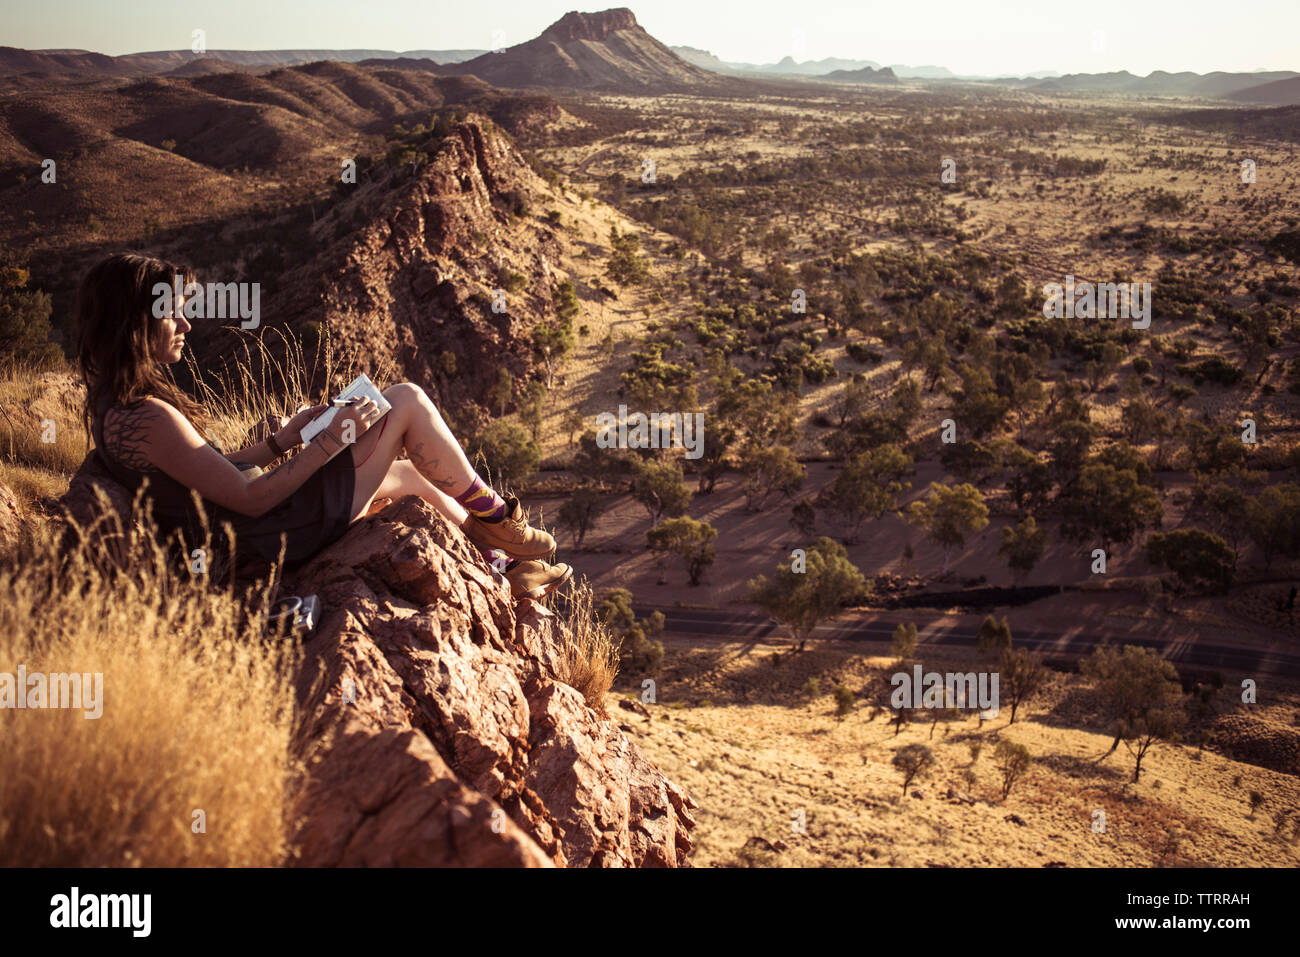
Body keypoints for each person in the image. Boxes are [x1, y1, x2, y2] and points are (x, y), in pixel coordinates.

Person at [74, 252, 572, 601]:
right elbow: (251, 498)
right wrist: (333, 438)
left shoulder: (116, 406)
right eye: (172, 315)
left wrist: (284, 440)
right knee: (406, 400)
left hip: (256, 527)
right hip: (273, 531)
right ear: (133, 322)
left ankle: (505, 568)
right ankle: (500, 519)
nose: (185, 325)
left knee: (408, 475)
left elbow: (209, 469)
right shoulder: (149, 415)